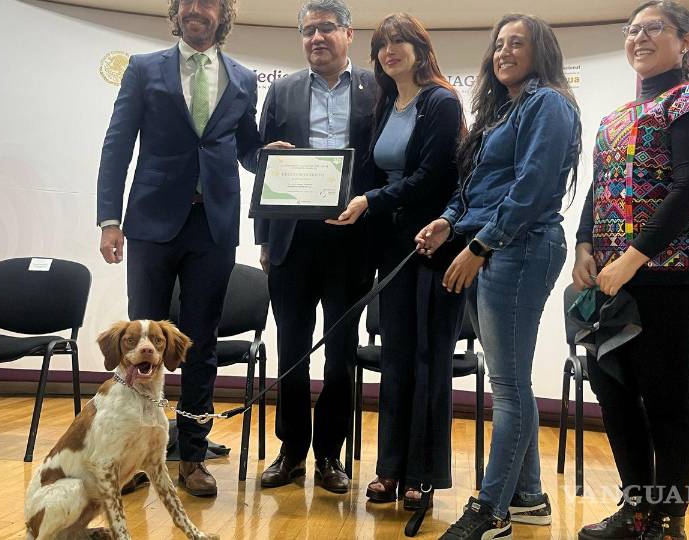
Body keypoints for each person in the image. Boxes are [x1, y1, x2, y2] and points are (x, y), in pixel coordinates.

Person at [416, 14, 582, 540]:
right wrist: (447, 222)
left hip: (520, 247)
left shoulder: (548, 104)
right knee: (512, 382)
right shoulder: (504, 111)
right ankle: (529, 496)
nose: (505, 52)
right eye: (499, 44)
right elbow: (477, 190)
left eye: (518, 44)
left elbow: (531, 189)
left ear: (542, 53)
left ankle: (491, 511)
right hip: (493, 245)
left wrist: (481, 245)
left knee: (507, 388)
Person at [574, 2, 689, 539]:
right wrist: (583, 249)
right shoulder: (616, 117)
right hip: (609, 278)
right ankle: (636, 509)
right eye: (632, 30)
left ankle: (668, 519)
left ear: (685, 40)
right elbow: (597, 189)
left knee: (666, 397)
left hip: (668, 274)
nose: (639, 38)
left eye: (654, 29)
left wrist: (631, 259)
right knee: (613, 388)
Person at [95, 0, 261, 498]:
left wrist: (269, 158)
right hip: (150, 224)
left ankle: (191, 456)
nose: (196, 9)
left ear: (221, 13)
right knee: (139, 345)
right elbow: (117, 144)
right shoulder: (144, 70)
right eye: (187, 1)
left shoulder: (244, 78)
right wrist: (109, 219)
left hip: (213, 227)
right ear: (177, 12)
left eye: (207, 2)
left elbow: (246, 146)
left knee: (201, 345)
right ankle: (134, 457)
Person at [327, 12, 466, 509]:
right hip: (393, 248)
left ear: (419, 47)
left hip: (432, 247)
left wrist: (370, 201)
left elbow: (433, 176)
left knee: (429, 361)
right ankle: (390, 469)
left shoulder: (441, 101)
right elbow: (371, 172)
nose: (390, 51)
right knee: (397, 359)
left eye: (399, 41)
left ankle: (421, 477)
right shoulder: (388, 102)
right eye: (383, 44)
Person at [253, 0, 377, 494]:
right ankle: (290, 452)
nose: (316, 38)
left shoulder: (376, 89)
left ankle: (330, 454)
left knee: (342, 351)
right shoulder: (280, 92)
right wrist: (264, 239)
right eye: (308, 31)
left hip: (352, 239)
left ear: (349, 34)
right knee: (292, 351)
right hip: (292, 241)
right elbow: (263, 168)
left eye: (327, 28)